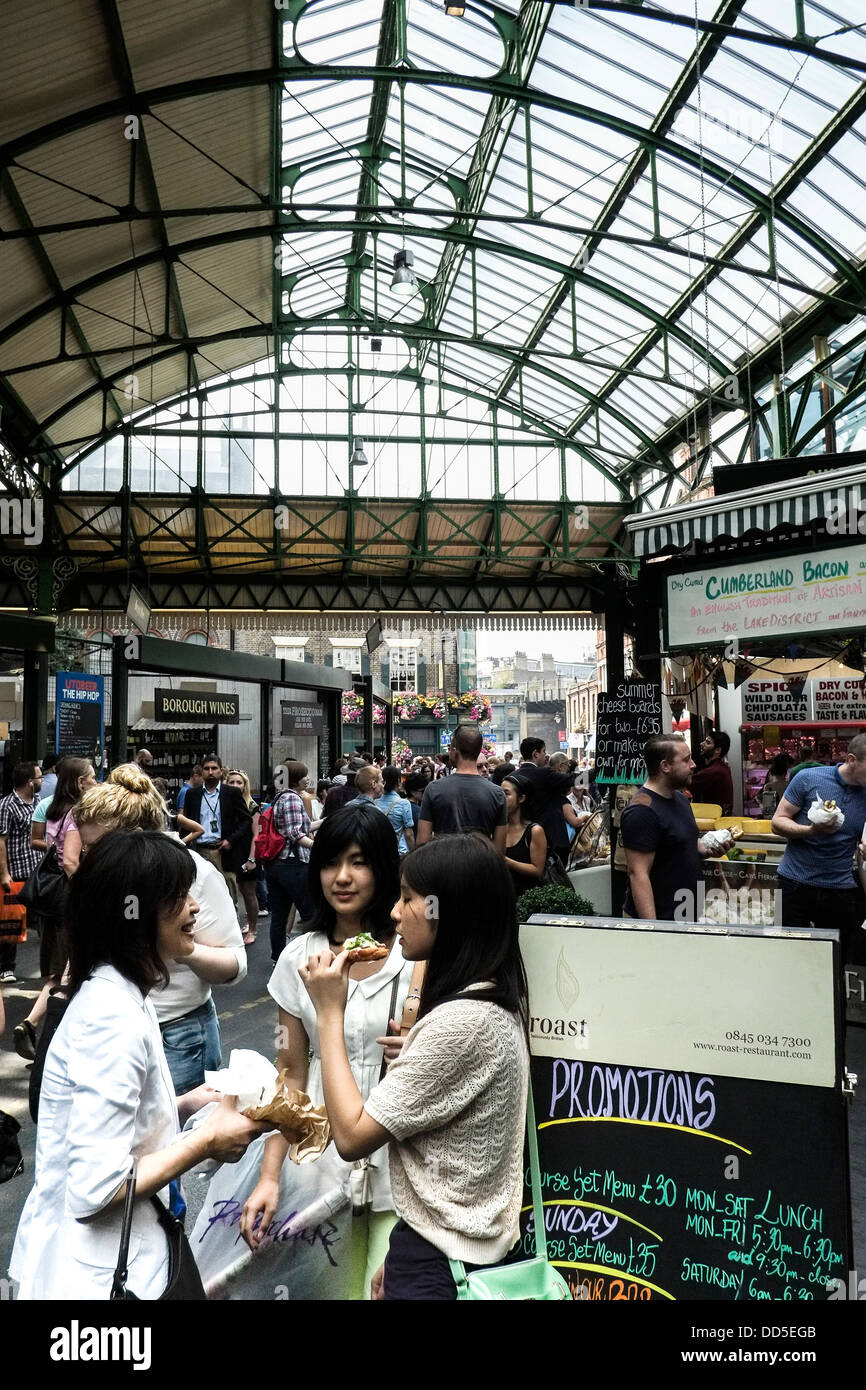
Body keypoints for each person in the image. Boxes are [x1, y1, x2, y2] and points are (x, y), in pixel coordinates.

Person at [9, 831, 269, 1299]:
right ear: (134, 913)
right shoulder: (112, 1015)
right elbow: (95, 1191)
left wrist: (184, 1105)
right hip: (99, 1277)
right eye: (177, 897)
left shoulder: (126, 990)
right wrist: (207, 1141)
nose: (194, 908)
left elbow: (107, 1124)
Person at [192, 803, 415, 1300]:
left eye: (358, 862)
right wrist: (269, 1176)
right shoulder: (299, 957)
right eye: (331, 863)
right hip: (316, 1168)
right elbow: (289, 1075)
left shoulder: (412, 954)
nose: (342, 877)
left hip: (398, 1165)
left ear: (383, 867)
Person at [299, 833, 530, 1300]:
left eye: (407, 899)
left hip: (441, 1268)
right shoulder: (486, 1005)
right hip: (443, 1250)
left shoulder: (462, 1024)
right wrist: (403, 1249)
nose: (394, 912)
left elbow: (350, 1136)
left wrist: (328, 1012)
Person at [75, 766, 247, 1091]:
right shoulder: (101, 879)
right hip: (110, 1028)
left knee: (179, 1136)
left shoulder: (194, 873)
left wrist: (184, 950)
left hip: (177, 1035)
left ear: (137, 836)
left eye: (96, 847)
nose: (88, 857)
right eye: (85, 848)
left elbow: (235, 967)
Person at [772, 732, 866, 955]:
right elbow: (777, 822)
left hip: (839, 888)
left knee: (836, 958)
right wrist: (811, 831)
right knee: (789, 953)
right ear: (852, 760)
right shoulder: (808, 778)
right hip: (793, 883)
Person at [621, 735, 722, 922]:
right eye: (686, 760)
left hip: (685, 915)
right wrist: (654, 930)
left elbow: (685, 842)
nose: (693, 765)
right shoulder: (642, 810)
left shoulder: (681, 800)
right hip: (664, 921)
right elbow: (638, 874)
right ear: (665, 766)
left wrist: (708, 848)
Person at [416, 725, 507, 851]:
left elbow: (422, 844)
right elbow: (499, 851)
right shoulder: (497, 794)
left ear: (454, 751)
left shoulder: (433, 789)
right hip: (482, 866)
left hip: (443, 866)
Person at [182, 754, 252, 908]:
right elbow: (186, 823)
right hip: (199, 850)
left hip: (223, 851)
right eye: (207, 769)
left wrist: (231, 840)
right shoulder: (192, 794)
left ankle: (231, 929)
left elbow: (246, 820)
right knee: (201, 894)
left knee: (229, 896)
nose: (210, 772)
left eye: (214, 768)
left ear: (221, 771)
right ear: (201, 772)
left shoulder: (231, 793)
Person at [265, 762, 315, 964]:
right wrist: (316, 846)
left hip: (275, 863)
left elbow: (295, 826)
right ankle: (312, 956)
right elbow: (295, 833)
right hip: (293, 863)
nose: (307, 779)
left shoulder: (278, 798)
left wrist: (323, 822)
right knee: (310, 913)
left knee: (278, 915)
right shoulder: (294, 798)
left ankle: (278, 957)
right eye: (304, 776)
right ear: (295, 779)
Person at [0, 762, 43, 986]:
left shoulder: (37, 803)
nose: (42, 780)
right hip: (15, 872)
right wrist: (4, 873)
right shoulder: (7, 805)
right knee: (12, 922)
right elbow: (1, 841)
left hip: (36, 871)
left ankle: (50, 966)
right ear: (29, 782)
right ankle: (7, 967)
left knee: (43, 918)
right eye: (39, 777)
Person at [517, 738, 574, 865]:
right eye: (543, 751)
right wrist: (598, 772)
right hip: (552, 837)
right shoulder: (544, 773)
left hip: (525, 838)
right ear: (535, 754)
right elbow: (570, 779)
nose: (545, 755)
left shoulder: (513, 776)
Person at [226, 770, 261, 946]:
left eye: (239, 782)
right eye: (231, 782)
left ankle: (253, 928)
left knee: (248, 892)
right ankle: (246, 923)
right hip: (232, 853)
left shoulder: (252, 806)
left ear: (245, 785)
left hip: (248, 853)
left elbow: (257, 835)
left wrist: (252, 859)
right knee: (236, 891)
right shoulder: (225, 803)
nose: (235, 785)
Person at [502, 771, 547, 897]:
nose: (501, 798)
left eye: (506, 793)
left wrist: (505, 861)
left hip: (527, 900)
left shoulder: (534, 831)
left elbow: (537, 870)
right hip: (503, 897)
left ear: (521, 798)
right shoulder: (499, 828)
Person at [690, 731, 734, 814]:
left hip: (715, 820)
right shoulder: (722, 768)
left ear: (717, 750)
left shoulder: (714, 771)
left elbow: (686, 783)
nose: (701, 744)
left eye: (707, 743)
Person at [376, 766, 415, 855]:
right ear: (398, 781)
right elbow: (409, 834)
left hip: (379, 852)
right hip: (399, 851)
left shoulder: (375, 801)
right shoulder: (404, 803)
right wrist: (413, 853)